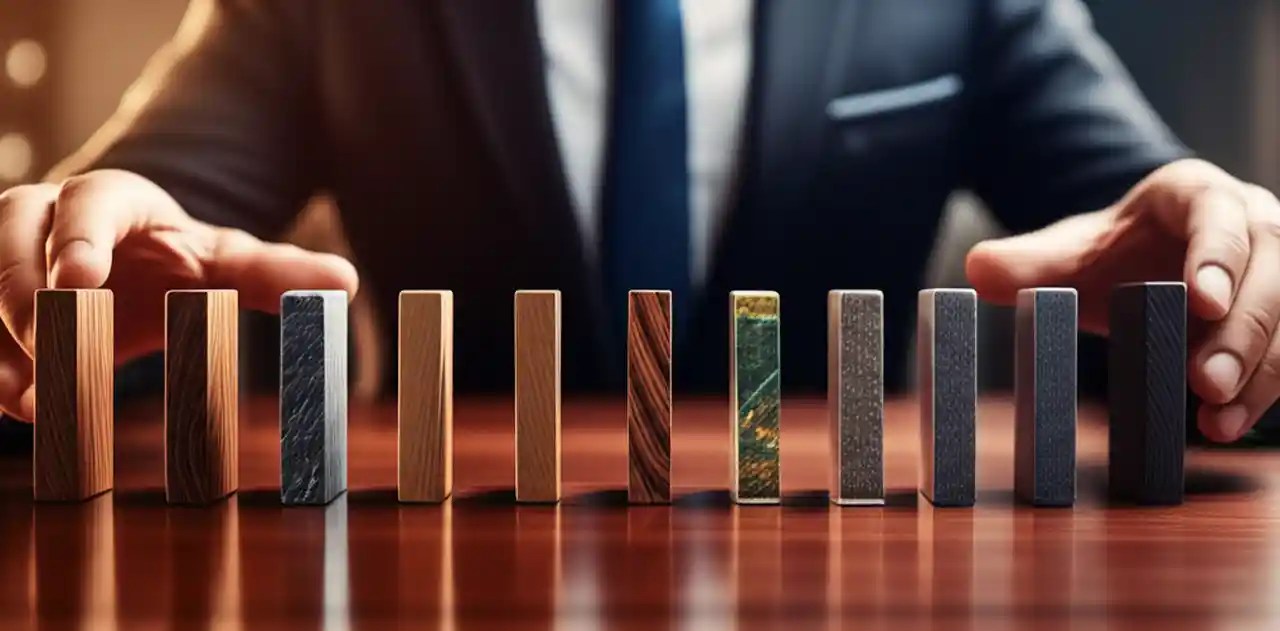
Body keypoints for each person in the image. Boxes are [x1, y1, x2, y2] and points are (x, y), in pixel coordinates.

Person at [0, 0, 1276, 445]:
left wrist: (1240, 277)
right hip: (442, 602)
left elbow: (1162, 223)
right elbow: (124, 222)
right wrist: (45, 276)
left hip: (852, 604)